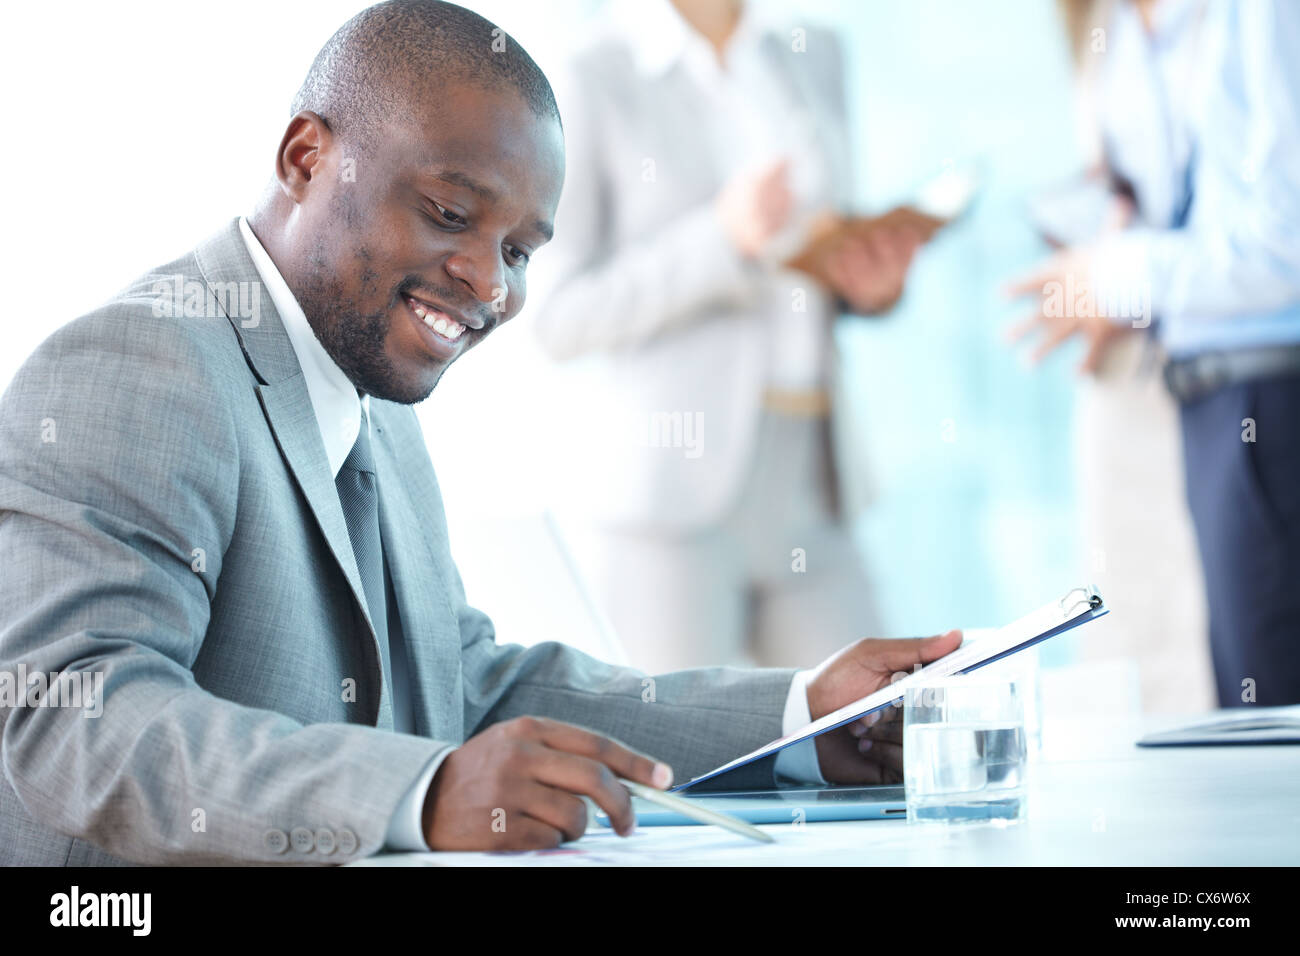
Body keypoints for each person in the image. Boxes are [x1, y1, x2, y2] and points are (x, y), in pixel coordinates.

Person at [0, 0, 960, 865]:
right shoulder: (143, 365)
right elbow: (70, 718)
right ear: (304, 158)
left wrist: (798, 719)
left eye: (518, 251)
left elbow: (467, 688)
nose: (490, 285)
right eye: (450, 214)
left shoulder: (369, 388)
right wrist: (421, 793)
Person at [529, 0, 936, 674]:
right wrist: (720, 242)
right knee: (677, 761)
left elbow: (821, 271)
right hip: (669, 495)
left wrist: (873, 286)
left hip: (816, 474)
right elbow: (556, 315)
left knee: (874, 736)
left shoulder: (816, 50)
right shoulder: (589, 71)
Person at [1008, 0, 1300, 707]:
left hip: (1257, 378)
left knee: (1264, 721)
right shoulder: (1101, 22)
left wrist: (1118, 275)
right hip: (1182, 374)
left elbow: (1282, 242)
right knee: (1223, 696)